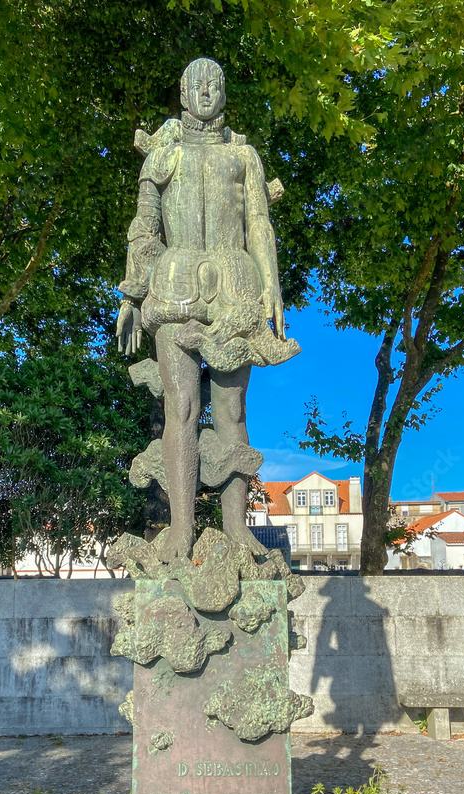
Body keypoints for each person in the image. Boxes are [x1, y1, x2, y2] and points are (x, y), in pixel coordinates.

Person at [116, 57, 299, 561]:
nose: (204, 91)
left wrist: (273, 291)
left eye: (213, 84)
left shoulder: (244, 157)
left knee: (232, 411)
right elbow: (144, 230)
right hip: (173, 290)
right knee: (180, 407)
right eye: (196, 83)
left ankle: (238, 530)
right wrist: (132, 295)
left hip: (236, 291)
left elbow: (260, 225)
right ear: (181, 90)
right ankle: (180, 530)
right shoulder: (161, 156)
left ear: (223, 92)